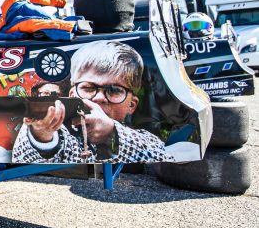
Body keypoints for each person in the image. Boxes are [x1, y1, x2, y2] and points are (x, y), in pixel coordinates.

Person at [12, 41, 172, 163]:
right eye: (89, 88)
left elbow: (162, 154)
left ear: (131, 105)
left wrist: (111, 133)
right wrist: (42, 134)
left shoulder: (145, 141)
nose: (99, 98)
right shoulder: (62, 133)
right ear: (73, 93)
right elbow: (25, 156)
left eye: (114, 90)